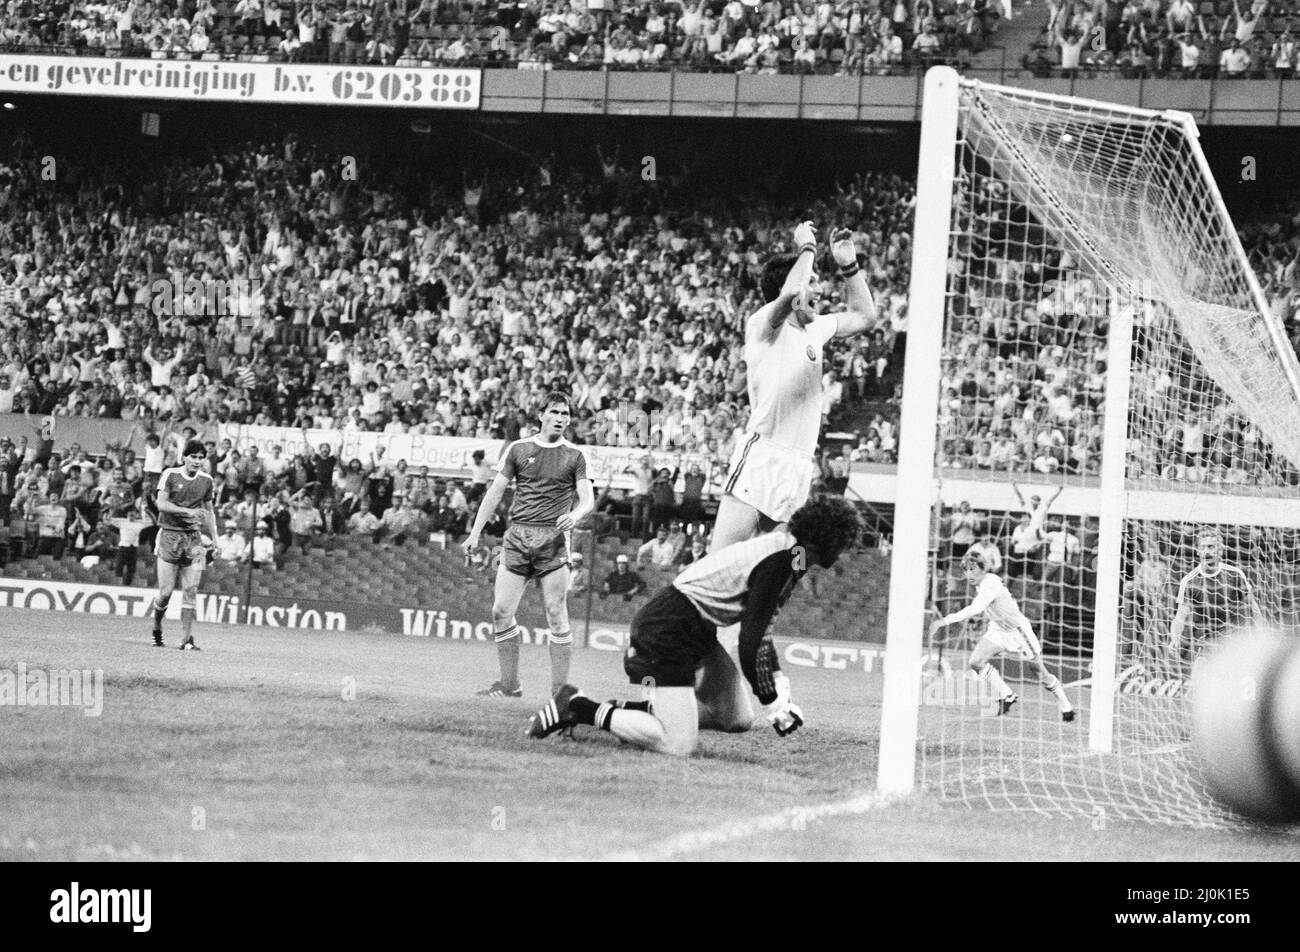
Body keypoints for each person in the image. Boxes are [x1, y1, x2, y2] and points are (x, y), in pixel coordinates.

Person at [525, 495, 863, 756]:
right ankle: (578, 706)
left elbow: (762, 627)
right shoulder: (785, 557)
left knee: (736, 719)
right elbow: (750, 641)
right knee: (678, 745)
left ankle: (641, 713)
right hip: (669, 628)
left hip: (691, 626)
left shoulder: (793, 552)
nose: (843, 552)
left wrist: (776, 681)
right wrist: (772, 700)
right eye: (843, 543)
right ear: (828, 540)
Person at [462, 392, 594, 698]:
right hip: (518, 536)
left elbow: (587, 498)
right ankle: (510, 686)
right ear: (542, 414)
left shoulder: (575, 455)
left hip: (553, 538)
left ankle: (559, 695)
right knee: (500, 611)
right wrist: (475, 533)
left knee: (555, 612)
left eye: (566, 414)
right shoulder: (518, 449)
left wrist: (575, 514)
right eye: (556, 412)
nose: (561, 418)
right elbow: (494, 493)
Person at [929, 551, 1076, 722]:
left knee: (1039, 672)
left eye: (973, 569)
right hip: (998, 630)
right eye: (965, 570)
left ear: (983, 569)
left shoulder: (990, 584)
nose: (969, 574)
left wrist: (944, 621)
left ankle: (1067, 707)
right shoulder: (981, 583)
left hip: (1018, 632)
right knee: (975, 662)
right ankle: (1007, 695)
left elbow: (975, 609)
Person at [150, 440, 218, 650]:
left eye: (201, 457)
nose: (197, 461)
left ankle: (187, 638)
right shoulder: (170, 474)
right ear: (184, 457)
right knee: (166, 591)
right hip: (169, 535)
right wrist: (188, 512)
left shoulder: (207, 480)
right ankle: (157, 625)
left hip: (195, 539)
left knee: (192, 589)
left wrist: (216, 538)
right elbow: (161, 504)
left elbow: (209, 511)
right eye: (194, 457)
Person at [1169, 529, 1263, 665]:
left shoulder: (1235, 574)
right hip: (1209, 640)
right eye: (1202, 547)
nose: (1206, 551)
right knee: (1201, 671)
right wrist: (1175, 638)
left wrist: (1261, 634)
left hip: (1235, 637)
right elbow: (1180, 617)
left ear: (1220, 550)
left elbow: (1253, 607)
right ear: (1197, 551)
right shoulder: (1189, 581)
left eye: (1211, 547)